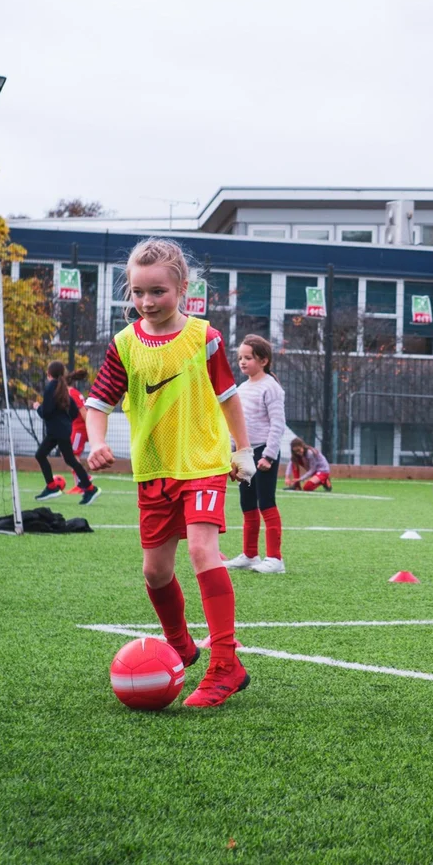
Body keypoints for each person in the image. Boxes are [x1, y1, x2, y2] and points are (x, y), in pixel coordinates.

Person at [85, 237, 256, 707]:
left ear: (182, 287)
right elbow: (97, 403)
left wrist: (243, 452)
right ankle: (181, 645)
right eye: (138, 292)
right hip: (154, 471)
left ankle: (224, 662)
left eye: (157, 291)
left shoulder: (205, 338)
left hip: (202, 463)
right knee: (155, 571)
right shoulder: (124, 344)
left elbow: (228, 397)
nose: (146, 301)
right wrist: (97, 441)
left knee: (203, 550)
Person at [224, 334, 287, 574]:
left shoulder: (271, 387)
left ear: (263, 360)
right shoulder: (241, 388)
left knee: (266, 503)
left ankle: (275, 559)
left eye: (248, 357)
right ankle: (250, 554)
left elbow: (277, 424)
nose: (242, 362)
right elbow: (236, 423)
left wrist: (268, 456)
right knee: (247, 504)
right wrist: (233, 455)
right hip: (245, 452)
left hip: (263, 454)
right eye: (240, 357)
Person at [34, 361, 99, 505]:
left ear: (49, 374)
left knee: (41, 455)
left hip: (57, 431)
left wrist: (38, 407)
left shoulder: (52, 386)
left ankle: (53, 487)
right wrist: (64, 420)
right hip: (61, 430)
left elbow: (46, 412)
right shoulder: (62, 387)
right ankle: (89, 488)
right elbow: (74, 411)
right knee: (69, 459)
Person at [65, 373, 90, 495]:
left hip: (80, 429)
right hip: (78, 428)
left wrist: (90, 428)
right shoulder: (71, 393)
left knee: (72, 455)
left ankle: (83, 482)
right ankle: (81, 482)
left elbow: (83, 412)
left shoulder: (72, 394)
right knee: (71, 456)